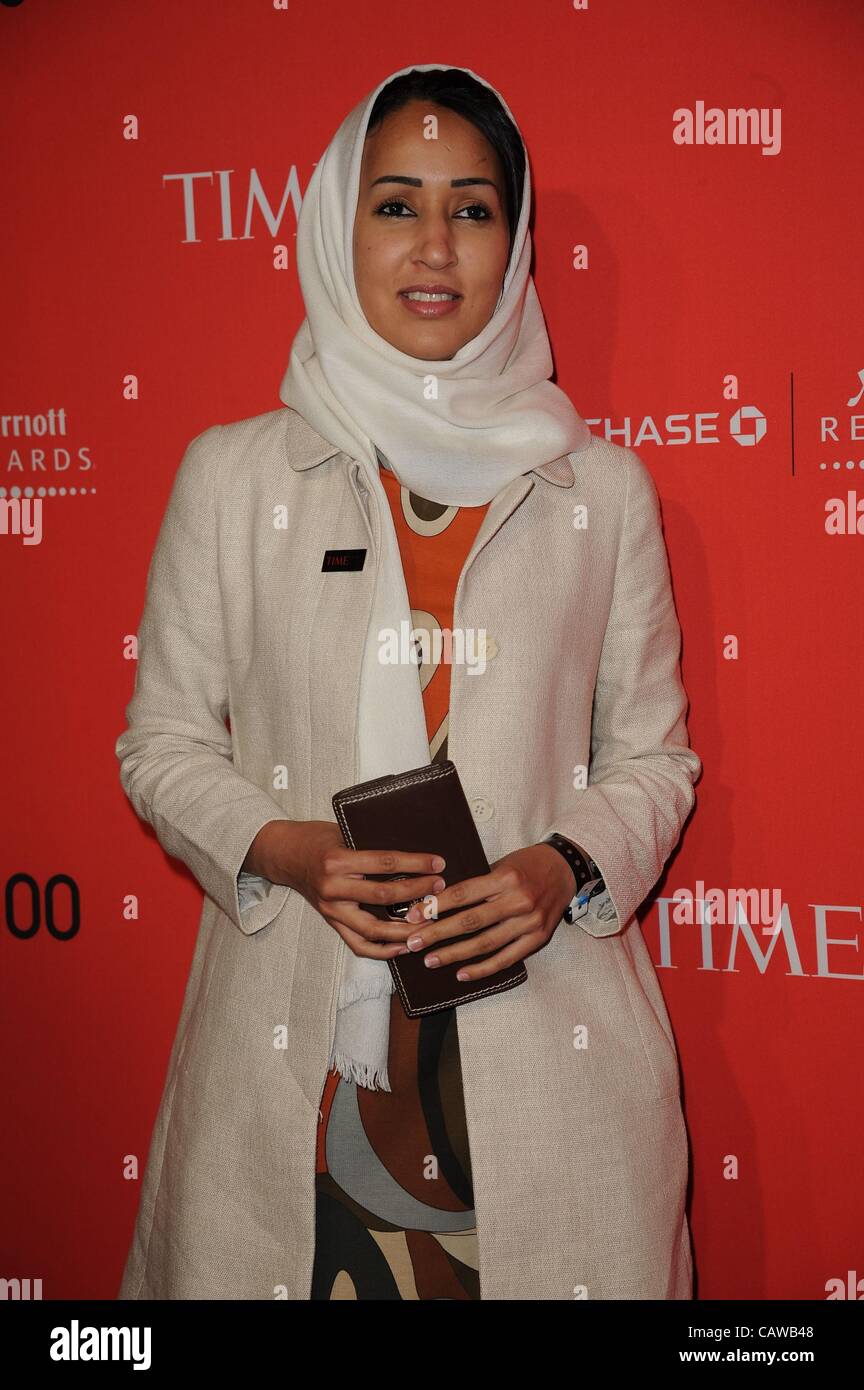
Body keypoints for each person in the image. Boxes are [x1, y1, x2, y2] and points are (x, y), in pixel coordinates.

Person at [116, 63, 701, 1302]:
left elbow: (655, 756)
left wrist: (564, 867)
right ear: (338, 228)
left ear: (514, 237)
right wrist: (284, 847)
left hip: (547, 1067)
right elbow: (162, 740)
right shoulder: (234, 478)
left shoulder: (600, 492)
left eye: (473, 207)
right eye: (395, 204)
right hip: (298, 1072)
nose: (435, 244)